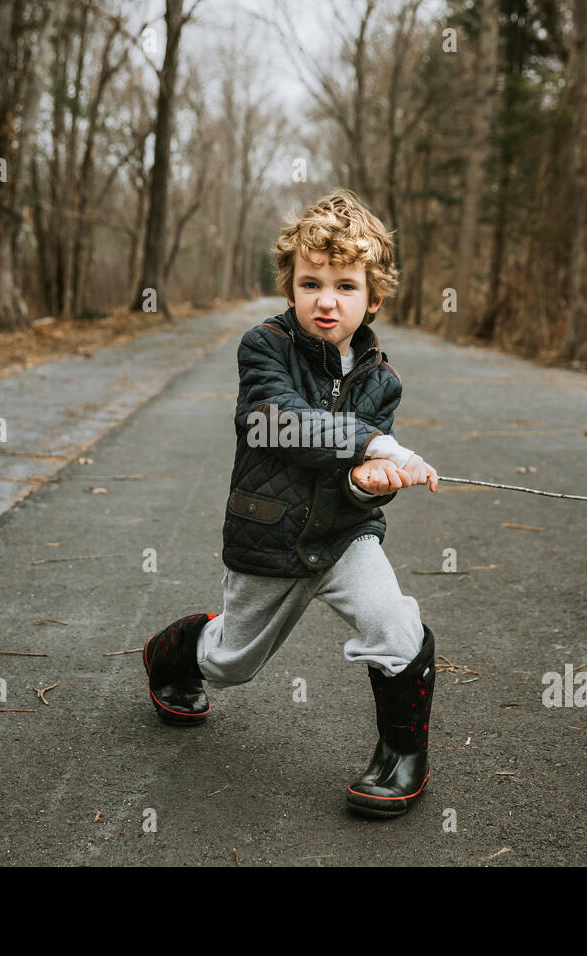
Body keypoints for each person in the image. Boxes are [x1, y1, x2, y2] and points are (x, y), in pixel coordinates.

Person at [143, 189, 440, 818]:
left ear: (374, 298)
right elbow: (278, 423)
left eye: (345, 286)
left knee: (395, 624)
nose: (326, 300)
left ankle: (402, 756)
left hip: (343, 537)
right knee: (231, 665)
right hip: (270, 537)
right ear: (290, 288)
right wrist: (376, 442)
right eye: (310, 283)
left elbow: (350, 479)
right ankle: (171, 654)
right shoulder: (264, 347)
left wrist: (371, 482)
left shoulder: (381, 381)